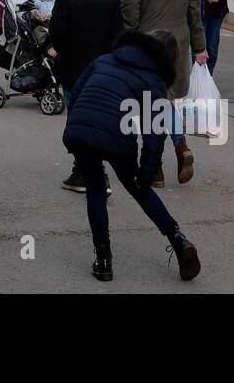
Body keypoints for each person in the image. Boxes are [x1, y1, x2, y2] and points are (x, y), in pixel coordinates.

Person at [63, 29, 202, 283]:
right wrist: (146, 171)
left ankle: (103, 260)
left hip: (81, 130)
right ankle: (178, 239)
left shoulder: (104, 59)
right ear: (168, 59)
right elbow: (154, 132)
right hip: (116, 136)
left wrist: (76, 125)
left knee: (95, 191)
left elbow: (76, 92)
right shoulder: (154, 81)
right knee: (138, 188)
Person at [122, 0, 208, 188]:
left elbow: (130, 18)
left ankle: (155, 168)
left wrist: (125, 49)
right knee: (167, 99)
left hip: (149, 44)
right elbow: (195, 9)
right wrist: (200, 46)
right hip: (178, 43)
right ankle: (181, 144)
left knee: (149, 104)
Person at [48, 0, 123, 193]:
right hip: (103, 70)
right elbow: (118, 34)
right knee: (95, 119)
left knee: (78, 119)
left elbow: (57, 32)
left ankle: (92, 173)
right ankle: (85, 170)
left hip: (73, 68)